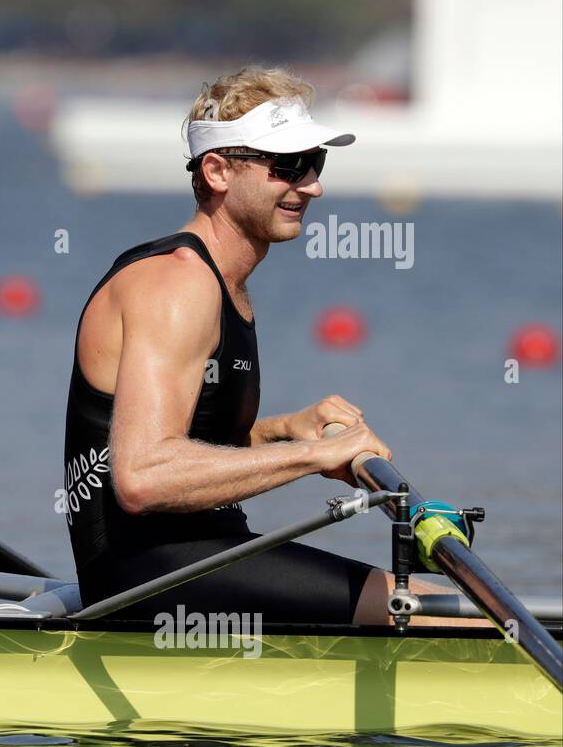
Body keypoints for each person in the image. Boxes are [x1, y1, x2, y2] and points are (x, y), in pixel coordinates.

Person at [63, 65, 455, 625]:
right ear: (219, 171)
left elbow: (188, 440)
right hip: (151, 576)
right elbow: (143, 477)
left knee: (443, 604)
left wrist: (279, 430)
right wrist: (312, 456)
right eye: (288, 167)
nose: (313, 185)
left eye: (315, 163)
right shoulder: (177, 284)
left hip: (200, 557)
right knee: (449, 613)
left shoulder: (220, 282)